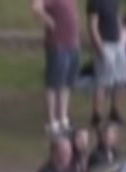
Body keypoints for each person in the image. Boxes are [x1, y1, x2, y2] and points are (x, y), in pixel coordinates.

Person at [33, 0, 82, 134]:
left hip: (72, 44)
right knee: (54, 83)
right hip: (57, 44)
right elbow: (36, 7)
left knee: (66, 82)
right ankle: (52, 121)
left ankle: (63, 118)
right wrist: (49, 21)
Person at [90, 0, 126, 127]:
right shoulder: (95, 3)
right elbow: (93, 26)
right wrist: (99, 48)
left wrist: (122, 36)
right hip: (105, 44)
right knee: (103, 81)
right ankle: (97, 114)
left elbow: (118, 19)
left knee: (120, 79)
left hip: (117, 44)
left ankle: (115, 110)